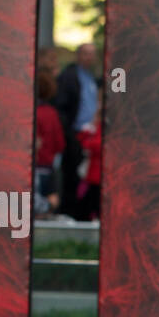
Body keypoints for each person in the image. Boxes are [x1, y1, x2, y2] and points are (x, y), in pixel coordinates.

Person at [54, 41, 101, 218]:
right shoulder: (70, 76)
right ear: (79, 55)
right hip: (75, 132)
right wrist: (68, 131)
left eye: (92, 54)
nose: (89, 57)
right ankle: (68, 211)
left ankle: (83, 211)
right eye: (86, 53)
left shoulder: (91, 78)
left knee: (88, 175)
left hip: (90, 133)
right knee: (72, 173)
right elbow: (62, 105)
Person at [34, 68, 64, 214]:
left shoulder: (33, 113)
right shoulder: (51, 113)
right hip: (49, 164)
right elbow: (60, 143)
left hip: (35, 165)